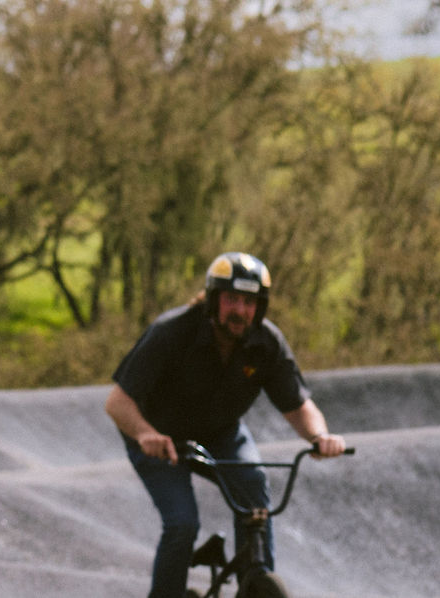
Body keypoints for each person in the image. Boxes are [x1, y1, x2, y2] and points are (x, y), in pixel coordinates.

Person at [105, 252, 348, 598]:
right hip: (159, 439)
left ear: (260, 308)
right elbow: (117, 402)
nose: (240, 310)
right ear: (212, 299)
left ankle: (256, 585)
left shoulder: (266, 343)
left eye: (249, 303)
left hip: (220, 434)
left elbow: (298, 406)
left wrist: (320, 436)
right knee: (182, 524)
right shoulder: (172, 332)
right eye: (231, 299)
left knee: (254, 489)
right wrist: (145, 434)